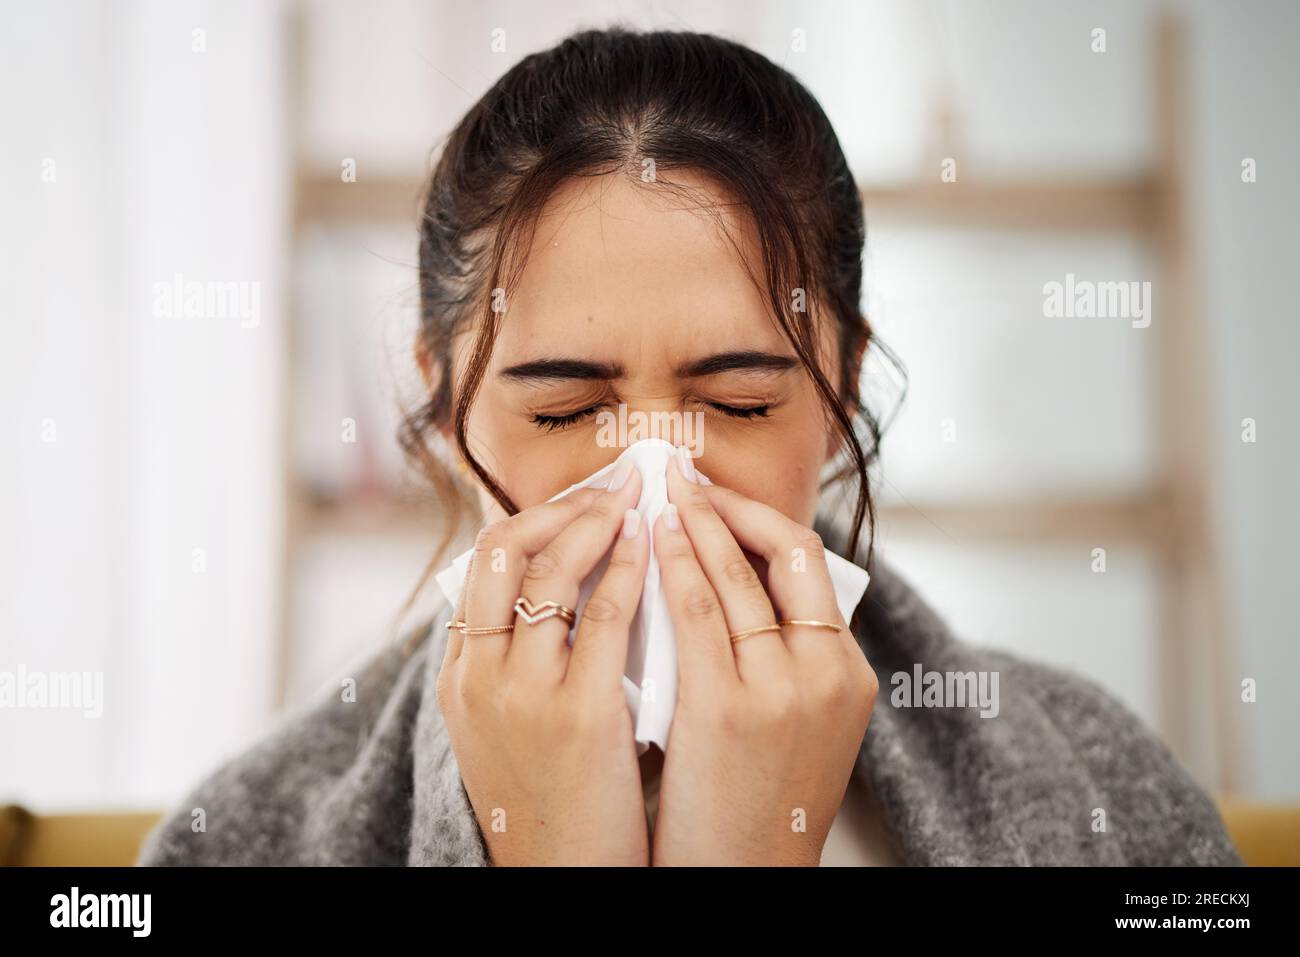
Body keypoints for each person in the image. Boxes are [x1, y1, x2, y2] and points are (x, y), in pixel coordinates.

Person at [137, 27, 1241, 867]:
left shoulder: (1101, 790)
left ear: (841, 382)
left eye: (741, 401)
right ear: (444, 404)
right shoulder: (245, 840)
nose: (657, 476)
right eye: (565, 410)